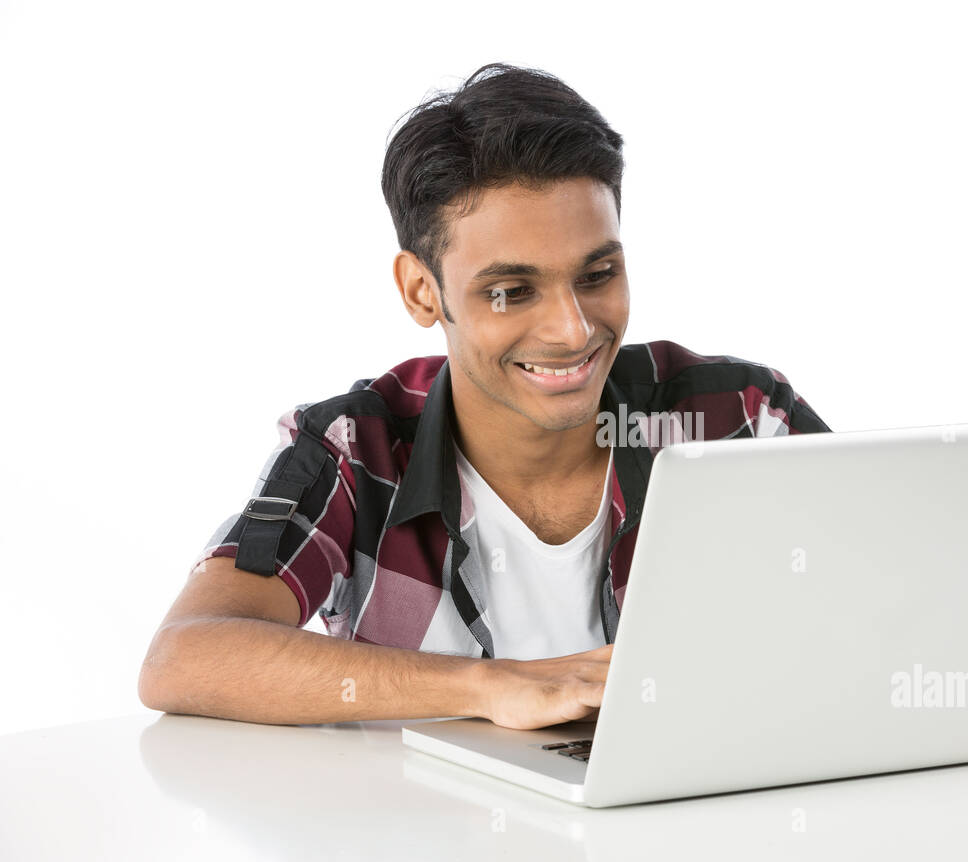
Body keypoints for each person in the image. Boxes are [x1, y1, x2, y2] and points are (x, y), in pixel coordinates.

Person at [138, 63, 831, 730]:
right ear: (420, 290)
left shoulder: (738, 418)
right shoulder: (355, 452)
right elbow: (184, 656)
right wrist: (489, 688)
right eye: (511, 291)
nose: (573, 329)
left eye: (597, 274)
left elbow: (910, 598)